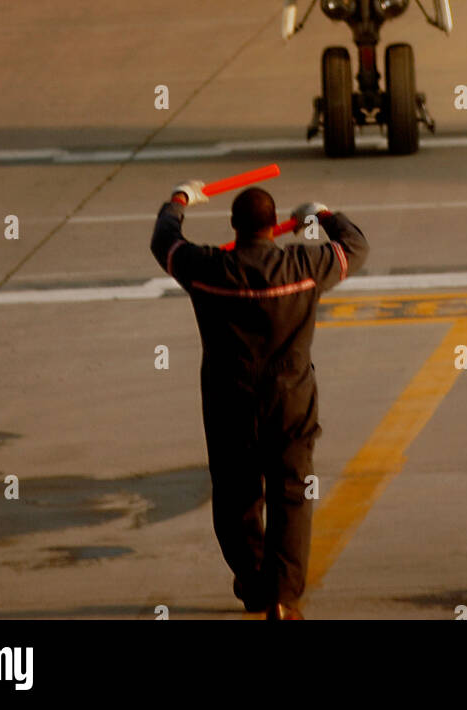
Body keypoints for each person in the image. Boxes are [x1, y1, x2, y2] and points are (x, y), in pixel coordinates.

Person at [150, 182, 369, 620]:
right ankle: (284, 597)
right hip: (290, 402)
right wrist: (323, 215)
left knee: (236, 496)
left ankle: (253, 583)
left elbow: (165, 241)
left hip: (231, 402)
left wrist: (178, 201)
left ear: (234, 226)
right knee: (291, 494)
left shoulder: (208, 269)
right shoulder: (303, 267)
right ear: (275, 227)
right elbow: (355, 247)